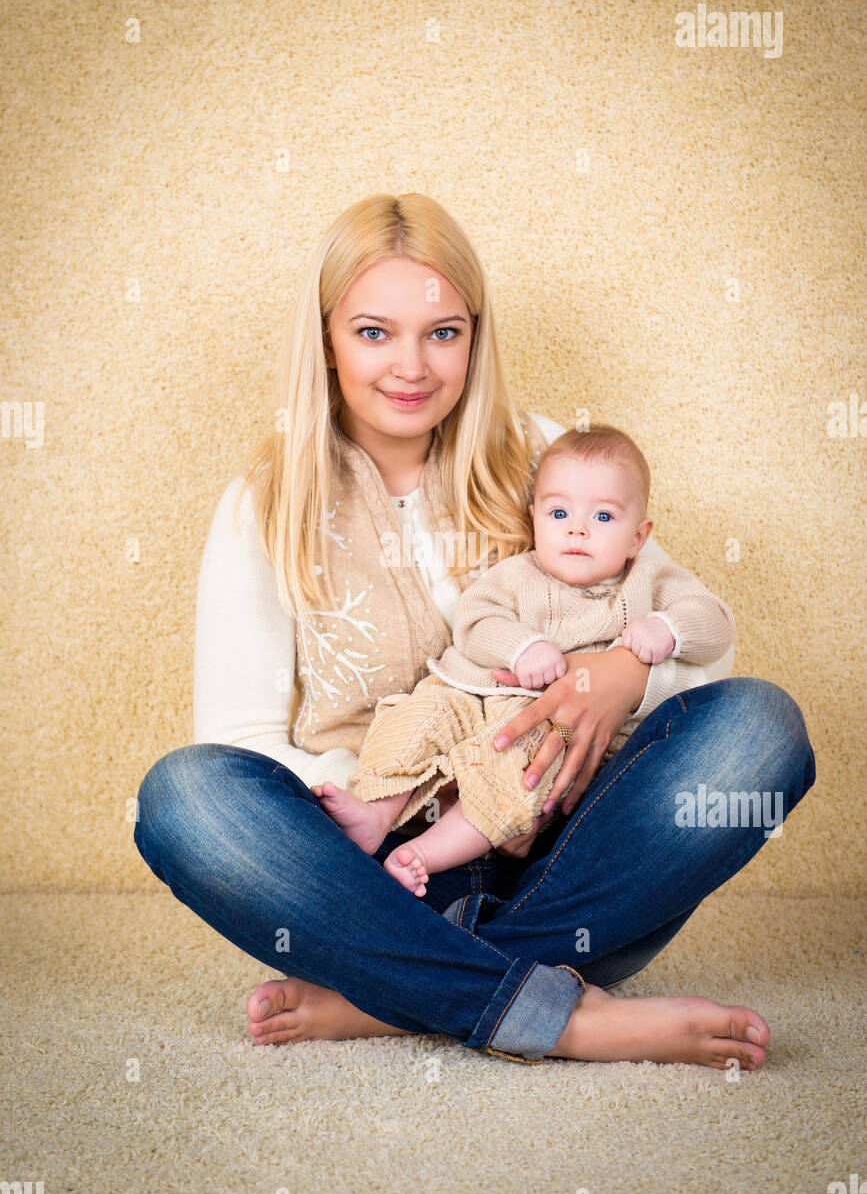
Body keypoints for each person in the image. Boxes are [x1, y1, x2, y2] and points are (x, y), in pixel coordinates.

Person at [133, 191, 816, 1069]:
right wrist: (398, 804)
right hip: (378, 875)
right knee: (184, 796)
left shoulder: (541, 453)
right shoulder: (265, 506)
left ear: (474, 336)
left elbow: (693, 636)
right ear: (327, 338)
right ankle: (562, 1018)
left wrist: (621, 679)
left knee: (759, 727)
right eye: (373, 332)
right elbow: (241, 740)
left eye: (443, 332)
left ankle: (399, 996)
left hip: (568, 859)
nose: (411, 366)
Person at [313, 423, 737, 895]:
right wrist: (522, 647)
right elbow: (475, 622)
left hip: (548, 729)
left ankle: (425, 854)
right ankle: (376, 808)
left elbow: (715, 621)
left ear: (639, 537)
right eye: (559, 512)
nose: (577, 528)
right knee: (416, 717)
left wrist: (668, 630)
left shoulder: (652, 582)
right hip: (470, 696)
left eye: (603, 518)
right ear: (533, 518)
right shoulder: (515, 574)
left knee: (519, 770)